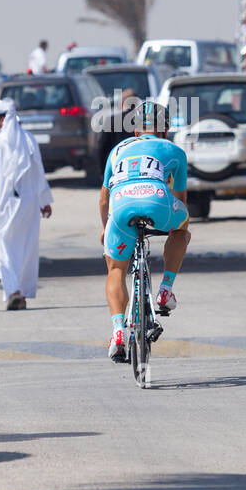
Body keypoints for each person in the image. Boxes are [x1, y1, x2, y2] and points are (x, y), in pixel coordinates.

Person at [99, 99, 190, 362]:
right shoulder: (174, 150)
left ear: (136, 131)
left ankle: (118, 330)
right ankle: (166, 289)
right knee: (182, 228)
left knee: (116, 269)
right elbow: (181, 197)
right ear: (165, 129)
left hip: (120, 207)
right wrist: (171, 225)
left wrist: (106, 229)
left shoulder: (117, 150)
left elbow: (103, 198)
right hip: (157, 200)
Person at [0, 98, 54, 309]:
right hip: (29, 205)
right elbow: (40, 173)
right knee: (24, 249)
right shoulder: (29, 139)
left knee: (0, 245)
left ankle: (13, 291)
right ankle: (20, 292)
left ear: (3, 120)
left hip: (3, 203)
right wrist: (44, 202)